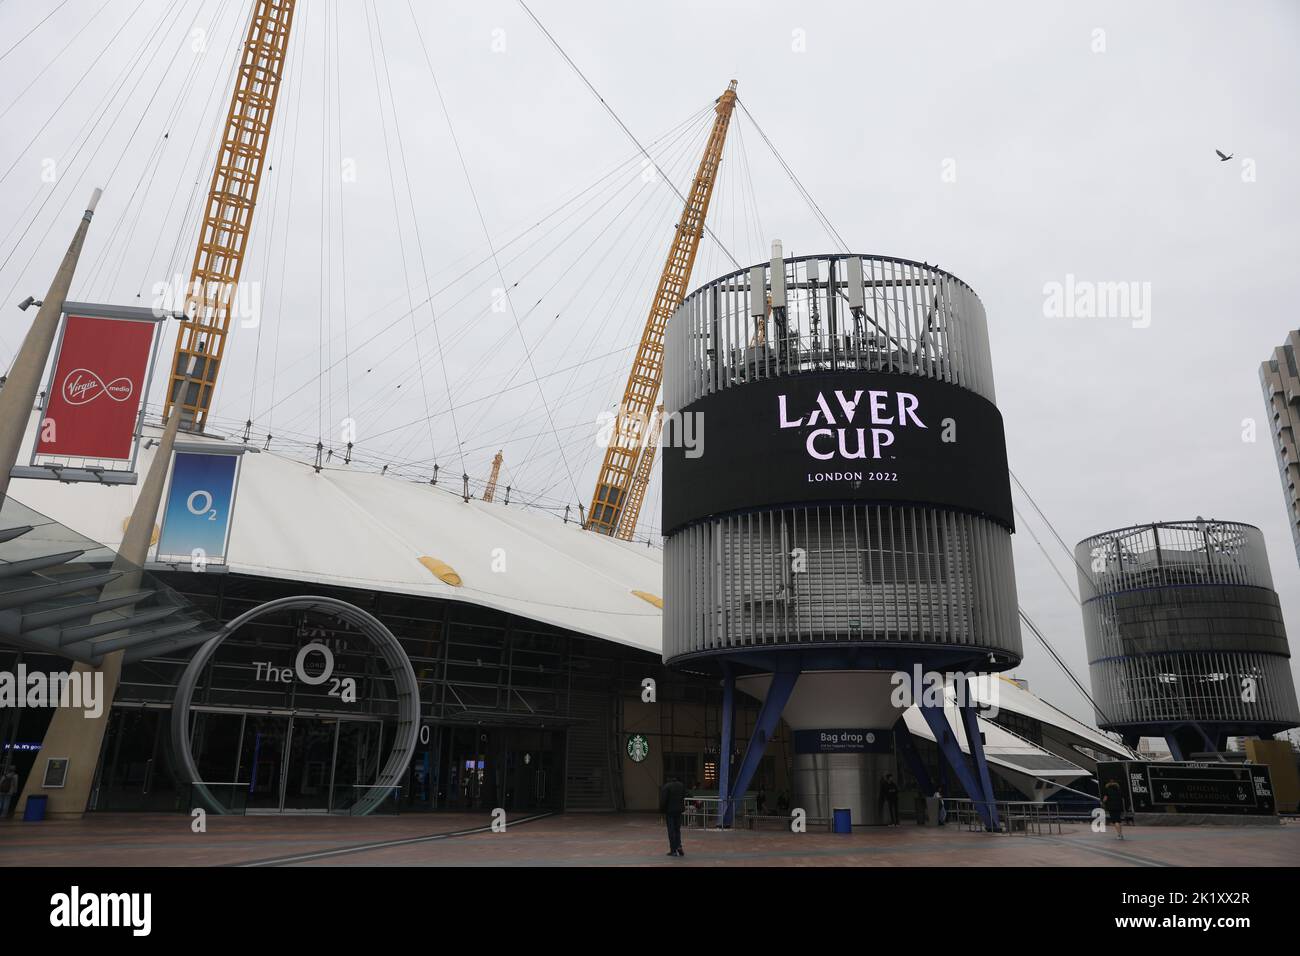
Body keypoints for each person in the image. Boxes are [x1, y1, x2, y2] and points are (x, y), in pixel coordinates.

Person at [659, 775, 686, 857]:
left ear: (668, 779)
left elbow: (663, 800)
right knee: (677, 830)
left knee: (671, 831)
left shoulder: (666, 786)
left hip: (670, 812)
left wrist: (662, 810)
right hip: (679, 811)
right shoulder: (681, 785)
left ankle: (673, 850)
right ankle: (679, 846)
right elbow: (687, 795)